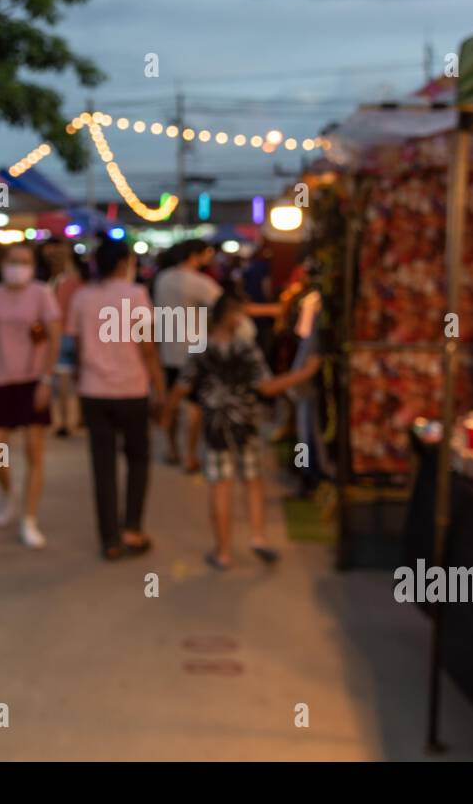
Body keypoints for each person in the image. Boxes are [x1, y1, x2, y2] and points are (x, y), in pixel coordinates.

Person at [163, 293, 322, 571]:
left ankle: (223, 552)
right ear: (232, 316)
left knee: (221, 487)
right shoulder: (246, 349)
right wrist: (305, 374)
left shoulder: (201, 348)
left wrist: (165, 414)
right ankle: (258, 537)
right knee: (252, 482)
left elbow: (182, 387)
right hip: (246, 426)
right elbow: (267, 387)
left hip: (215, 429)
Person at [67, 238, 165, 560]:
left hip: (94, 392)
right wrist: (159, 388)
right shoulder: (135, 295)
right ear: (124, 263)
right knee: (137, 460)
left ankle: (109, 539)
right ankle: (132, 529)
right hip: (132, 389)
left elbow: (79, 349)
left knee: (102, 465)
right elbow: (147, 347)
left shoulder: (82, 297)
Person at [0, 243, 61, 548]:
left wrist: (46, 379)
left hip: (32, 380)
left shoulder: (41, 294)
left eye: (25, 261)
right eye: (13, 260)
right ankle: (10, 493)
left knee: (34, 453)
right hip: (0, 380)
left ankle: (28, 519)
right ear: (2, 263)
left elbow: (53, 337)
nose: (19, 266)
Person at [152, 239, 221, 471]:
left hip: (167, 349)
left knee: (172, 400)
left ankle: (172, 449)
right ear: (195, 255)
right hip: (193, 350)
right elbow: (223, 305)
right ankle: (190, 455)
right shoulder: (199, 282)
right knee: (193, 406)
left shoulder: (163, 278)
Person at [42, 239, 83, 437]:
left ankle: (64, 421)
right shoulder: (79, 281)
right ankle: (76, 419)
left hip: (62, 334)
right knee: (76, 379)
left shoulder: (56, 282)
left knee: (62, 383)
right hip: (76, 333)